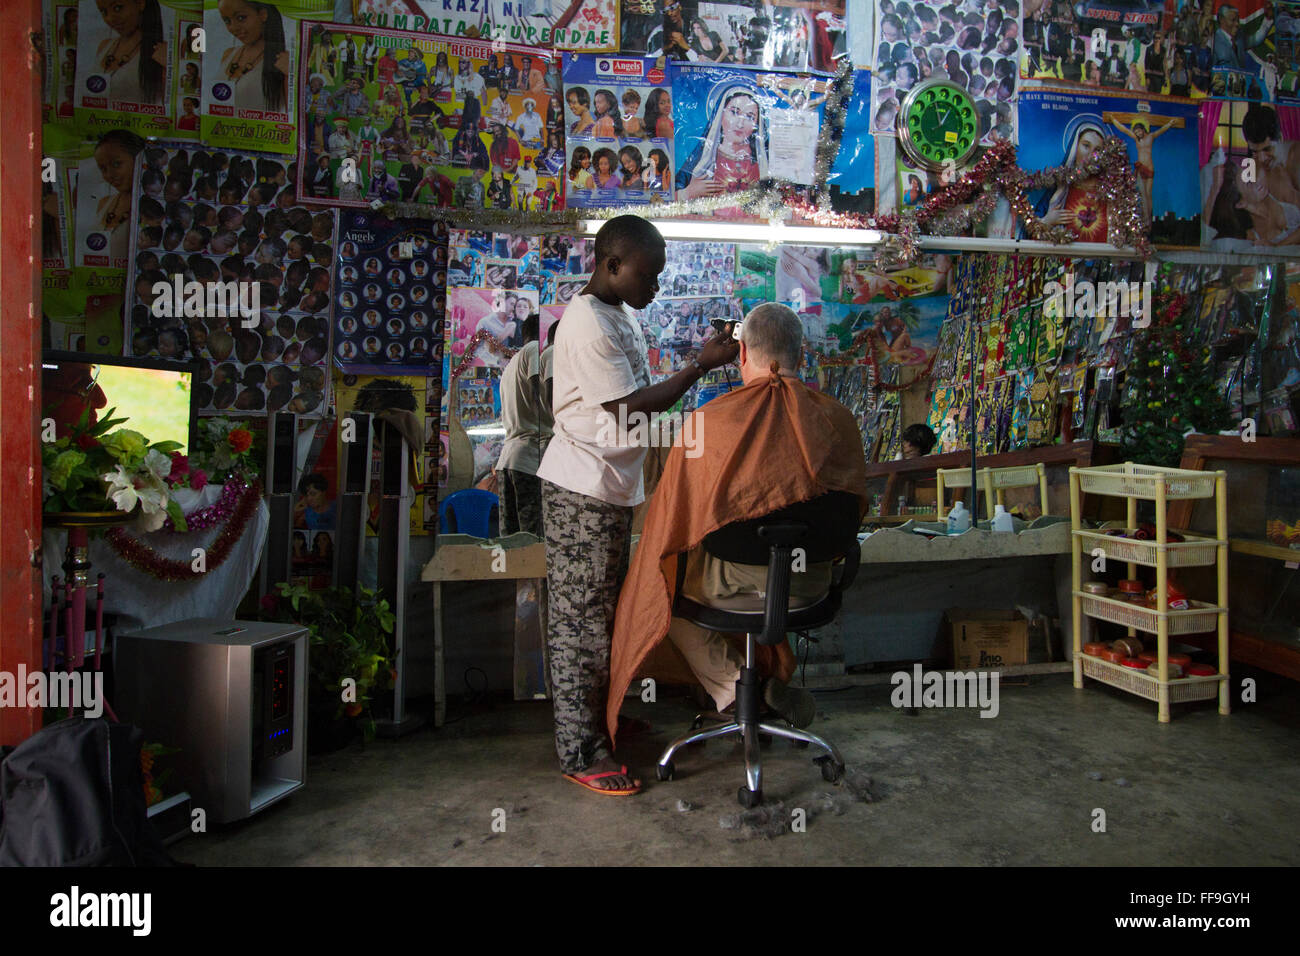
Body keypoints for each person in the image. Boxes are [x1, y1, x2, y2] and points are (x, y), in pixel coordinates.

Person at [535, 215, 740, 796]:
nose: (654, 288)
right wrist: (699, 365)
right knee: (581, 625)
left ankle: (600, 721)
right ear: (612, 264)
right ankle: (579, 749)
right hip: (582, 490)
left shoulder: (614, 315)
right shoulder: (586, 324)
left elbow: (635, 414)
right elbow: (626, 412)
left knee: (604, 617)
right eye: (648, 277)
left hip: (608, 486)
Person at [606, 304, 868, 747]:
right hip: (813, 583)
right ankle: (757, 694)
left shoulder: (709, 424)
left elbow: (673, 523)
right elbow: (853, 507)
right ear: (801, 355)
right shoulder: (838, 419)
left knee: (658, 586)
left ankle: (732, 690)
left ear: (740, 352)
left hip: (735, 584)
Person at [495, 314, 554, 537]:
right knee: (532, 540)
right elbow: (536, 393)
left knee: (510, 539)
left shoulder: (510, 366)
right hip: (530, 458)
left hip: (508, 459)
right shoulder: (533, 350)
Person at [676, 84, 766, 200]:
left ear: (757, 124)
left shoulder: (762, 163)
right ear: (721, 115)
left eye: (749, 117)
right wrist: (688, 193)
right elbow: (664, 199)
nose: (740, 124)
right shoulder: (702, 159)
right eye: (734, 112)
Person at [216, 0, 289, 114]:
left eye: (241, 18)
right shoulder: (228, 54)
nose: (233, 27)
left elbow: (294, 114)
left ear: (263, 15)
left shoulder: (283, 60)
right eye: (227, 21)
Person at [94, 0, 167, 104]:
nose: (110, 18)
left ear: (141, 3)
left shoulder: (161, 52)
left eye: (117, 8)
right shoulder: (104, 46)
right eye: (104, 12)